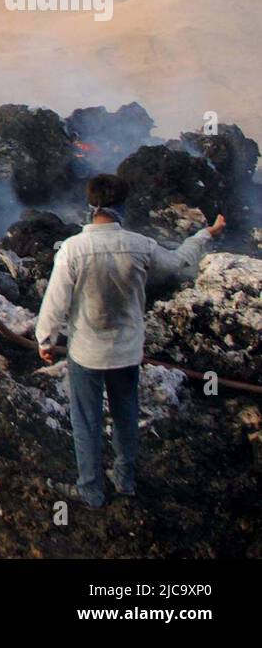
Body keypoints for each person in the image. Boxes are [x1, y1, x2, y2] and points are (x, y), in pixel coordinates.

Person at [35, 174, 225, 509]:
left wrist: (45, 340)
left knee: (86, 420)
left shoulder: (73, 249)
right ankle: (125, 480)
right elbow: (179, 260)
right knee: (125, 414)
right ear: (122, 206)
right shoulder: (140, 245)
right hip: (126, 351)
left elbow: (54, 303)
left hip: (86, 352)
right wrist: (203, 235)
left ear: (91, 206)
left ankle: (91, 491)